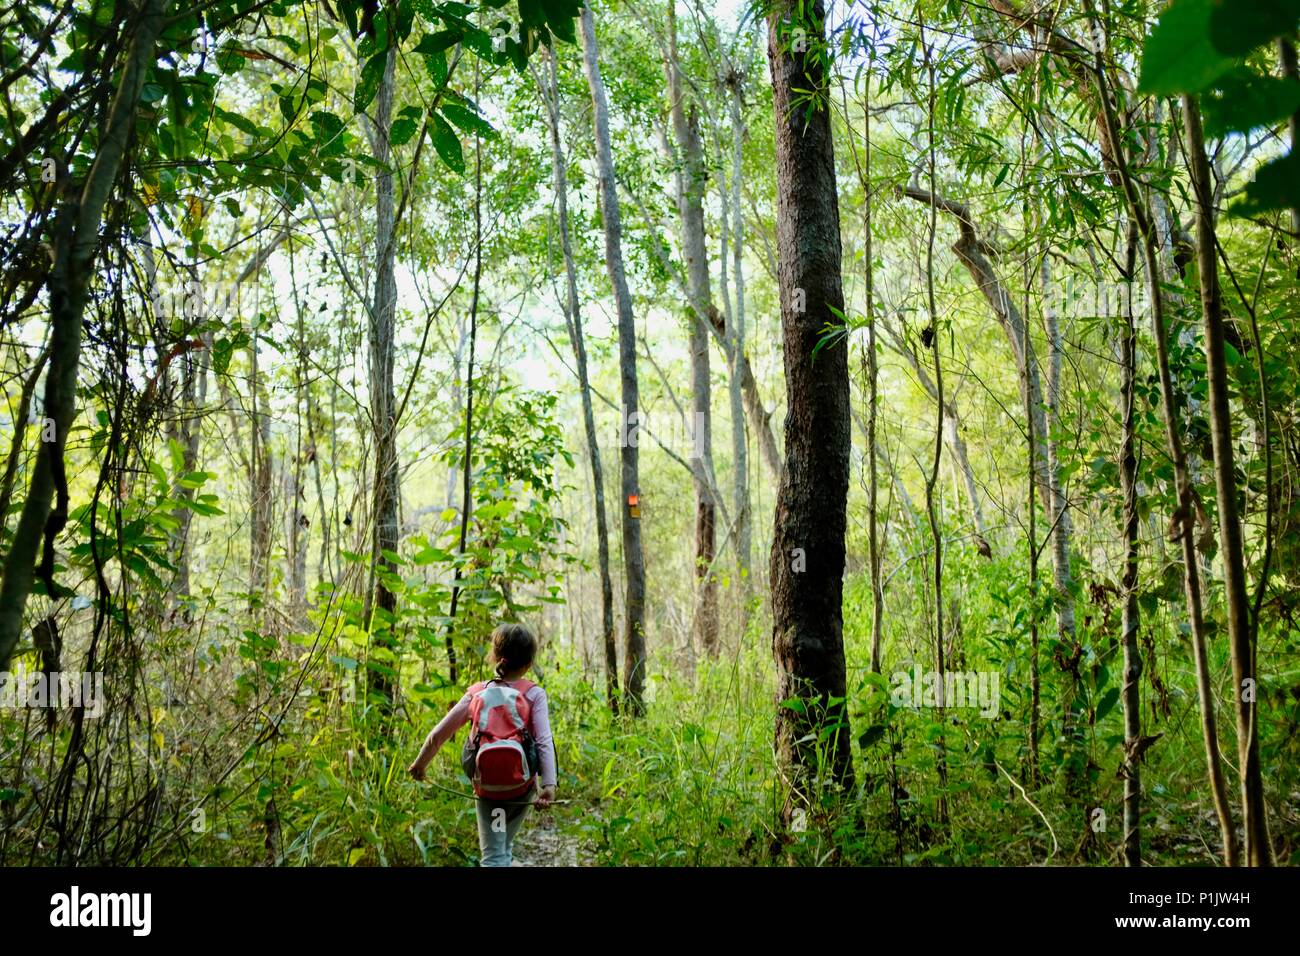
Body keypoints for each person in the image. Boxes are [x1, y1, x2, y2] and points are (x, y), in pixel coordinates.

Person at [408, 623, 556, 866]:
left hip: (489, 791)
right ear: (528, 664)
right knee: (502, 847)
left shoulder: (477, 693)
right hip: (521, 789)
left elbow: (438, 735)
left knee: (495, 853)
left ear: (496, 658)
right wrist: (548, 785)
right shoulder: (534, 694)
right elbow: (543, 741)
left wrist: (420, 764)